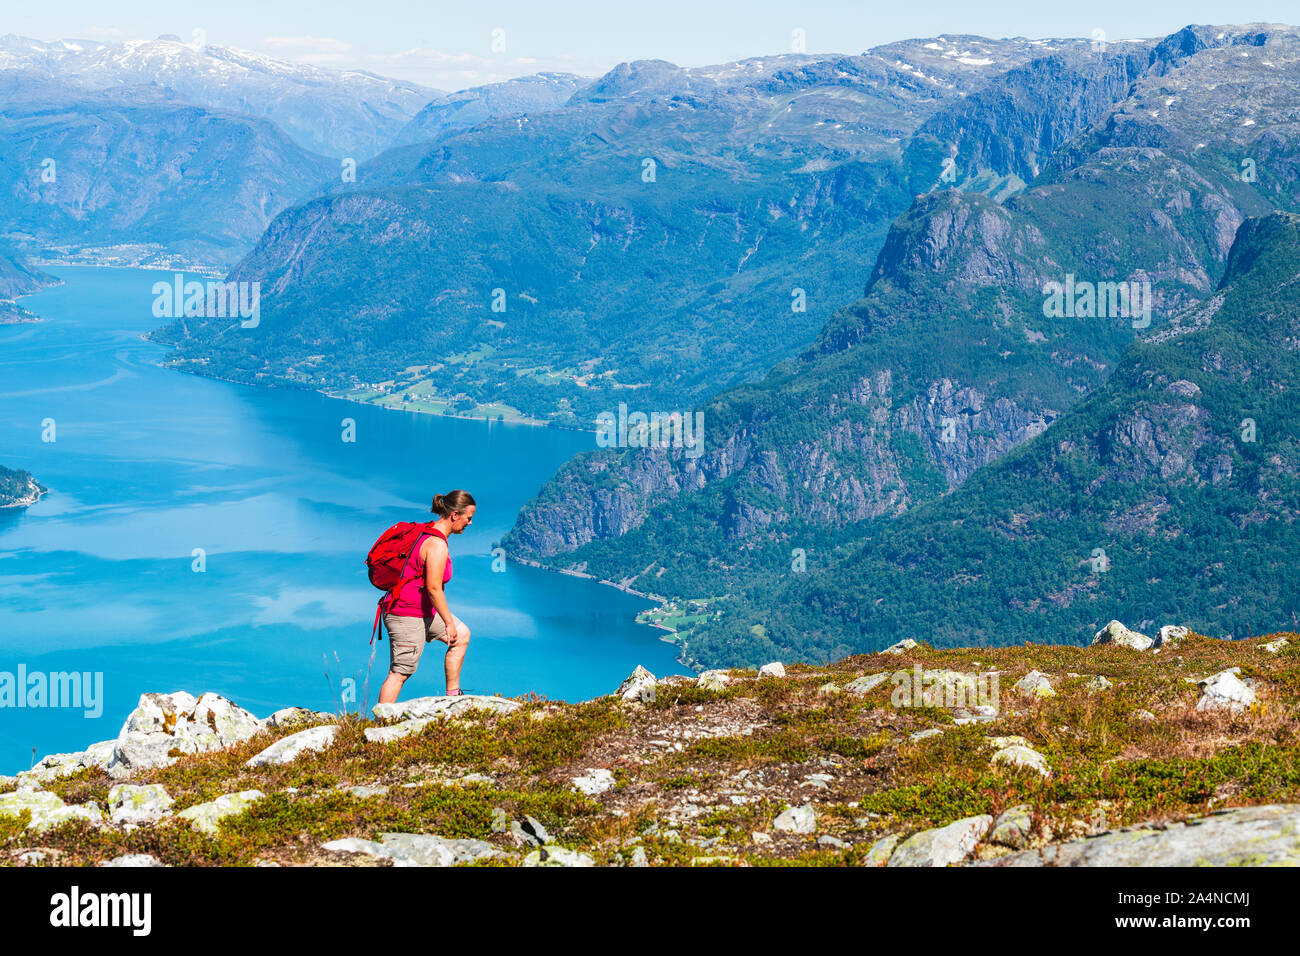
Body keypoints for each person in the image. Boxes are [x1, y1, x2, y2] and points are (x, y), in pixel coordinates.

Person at [377, 490, 475, 703]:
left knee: (462, 635)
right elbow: (433, 588)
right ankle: (381, 721)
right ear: (455, 515)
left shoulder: (429, 530)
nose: (470, 523)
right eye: (468, 518)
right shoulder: (436, 544)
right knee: (400, 673)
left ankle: (452, 698)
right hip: (406, 614)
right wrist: (448, 622)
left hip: (422, 610)